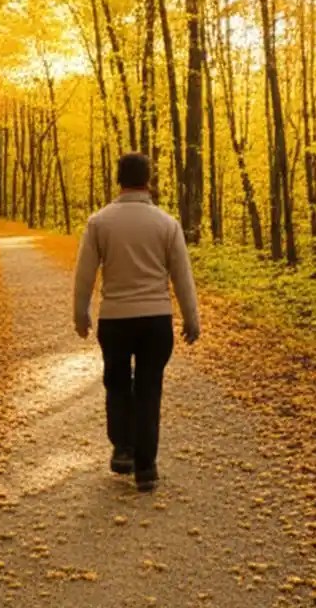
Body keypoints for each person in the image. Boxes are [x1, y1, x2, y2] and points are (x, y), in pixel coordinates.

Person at [73, 152, 200, 492]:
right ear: (148, 181)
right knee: (148, 388)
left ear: (119, 180)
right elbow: (182, 276)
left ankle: (123, 449)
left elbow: (84, 274)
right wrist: (191, 318)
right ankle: (146, 467)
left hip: (115, 320)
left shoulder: (99, 222)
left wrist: (80, 313)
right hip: (155, 322)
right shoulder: (167, 224)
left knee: (116, 383)